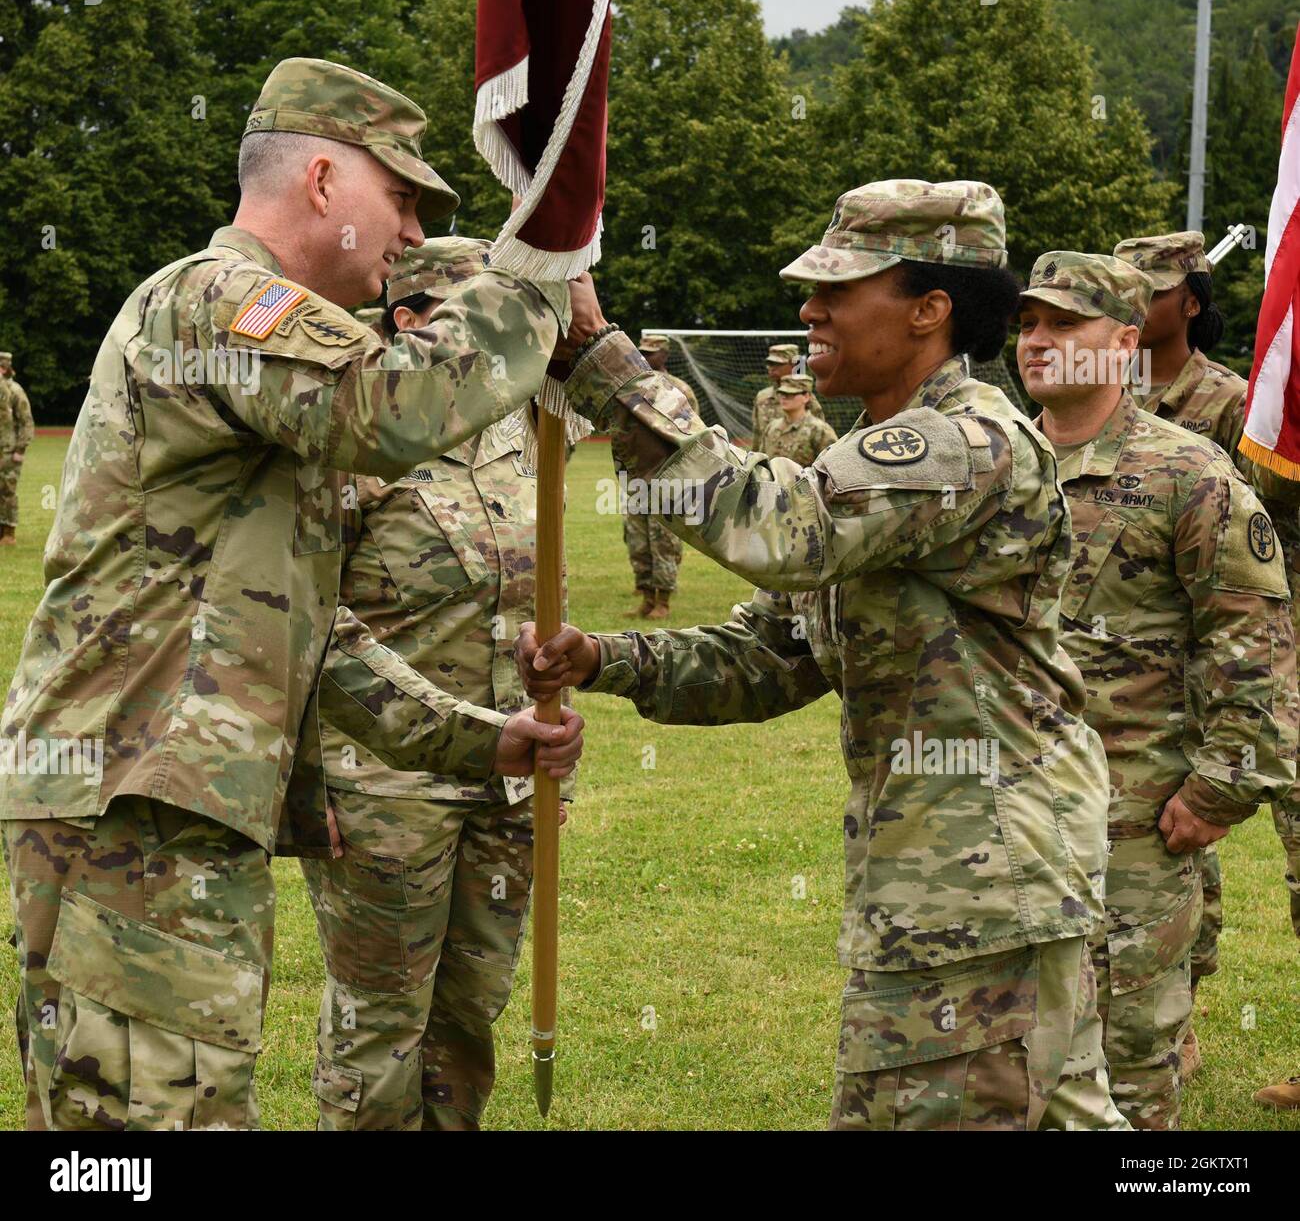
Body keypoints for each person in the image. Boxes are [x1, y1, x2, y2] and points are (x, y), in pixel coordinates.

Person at [0, 57, 585, 1132]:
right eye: (402, 198)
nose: (411, 236)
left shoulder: (265, 380)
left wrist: (473, 739)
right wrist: (538, 277)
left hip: (167, 804)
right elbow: (394, 405)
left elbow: (308, 630)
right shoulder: (215, 301)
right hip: (133, 802)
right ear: (321, 179)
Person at [523, 179, 1131, 1131]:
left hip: (976, 887)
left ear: (930, 310)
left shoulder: (964, 441)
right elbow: (776, 651)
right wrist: (605, 656)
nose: (810, 308)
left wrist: (606, 362)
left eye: (840, 289)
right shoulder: (877, 451)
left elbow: (775, 528)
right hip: (961, 881)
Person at [1016, 249, 1298, 1130]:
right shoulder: (994, 462)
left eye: (1066, 323)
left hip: (1133, 828)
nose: (1039, 340)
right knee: (1013, 1061)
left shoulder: (1188, 472)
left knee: (1132, 1072)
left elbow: (1254, 643)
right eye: (1028, 323)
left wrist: (1217, 788)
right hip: (1000, 819)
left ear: (1126, 339)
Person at [304, 237, 573, 1131]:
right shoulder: (356, 440)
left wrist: (546, 734)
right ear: (409, 322)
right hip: (383, 784)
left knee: (468, 1007)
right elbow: (305, 621)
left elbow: (529, 598)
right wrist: (310, 777)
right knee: (380, 1024)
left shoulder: (517, 435)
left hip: (502, 778)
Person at [1115, 229, 1300, 1086]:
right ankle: (1173, 1023)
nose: (1132, 303)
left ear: (1190, 300)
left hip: (1248, 659)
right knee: (1171, 852)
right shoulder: (1097, 396)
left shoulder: (1238, 405)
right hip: (1147, 668)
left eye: (1150, 288)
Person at [620, 334, 699, 621]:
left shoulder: (679, 390)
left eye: (651, 353)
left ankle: (663, 601)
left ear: (664, 356)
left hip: (668, 479)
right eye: (642, 352)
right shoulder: (631, 388)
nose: (645, 357)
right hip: (635, 478)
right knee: (637, 539)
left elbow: (693, 435)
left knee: (664, 539)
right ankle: (645, 597)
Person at [754, 373, 837, 466]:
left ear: (806, 397)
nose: (784, 397)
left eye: (791, 394)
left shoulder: (819, 430)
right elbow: (762, 462)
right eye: (782, 393)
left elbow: (832, 467)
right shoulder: (772, 427)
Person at [749, 342, 825, 441]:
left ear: (794, 365)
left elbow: (820, 434)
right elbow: (757, 435)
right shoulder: (762, 397)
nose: (771, 368)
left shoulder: (804, 398)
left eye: (777, 364)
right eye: (769, 364)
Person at [0, 351, 34, 545]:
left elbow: (26, 422)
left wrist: (20, 450)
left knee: (8, 491)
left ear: (3, 368)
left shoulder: (16, 391)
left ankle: (9, 533)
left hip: (10, 451)